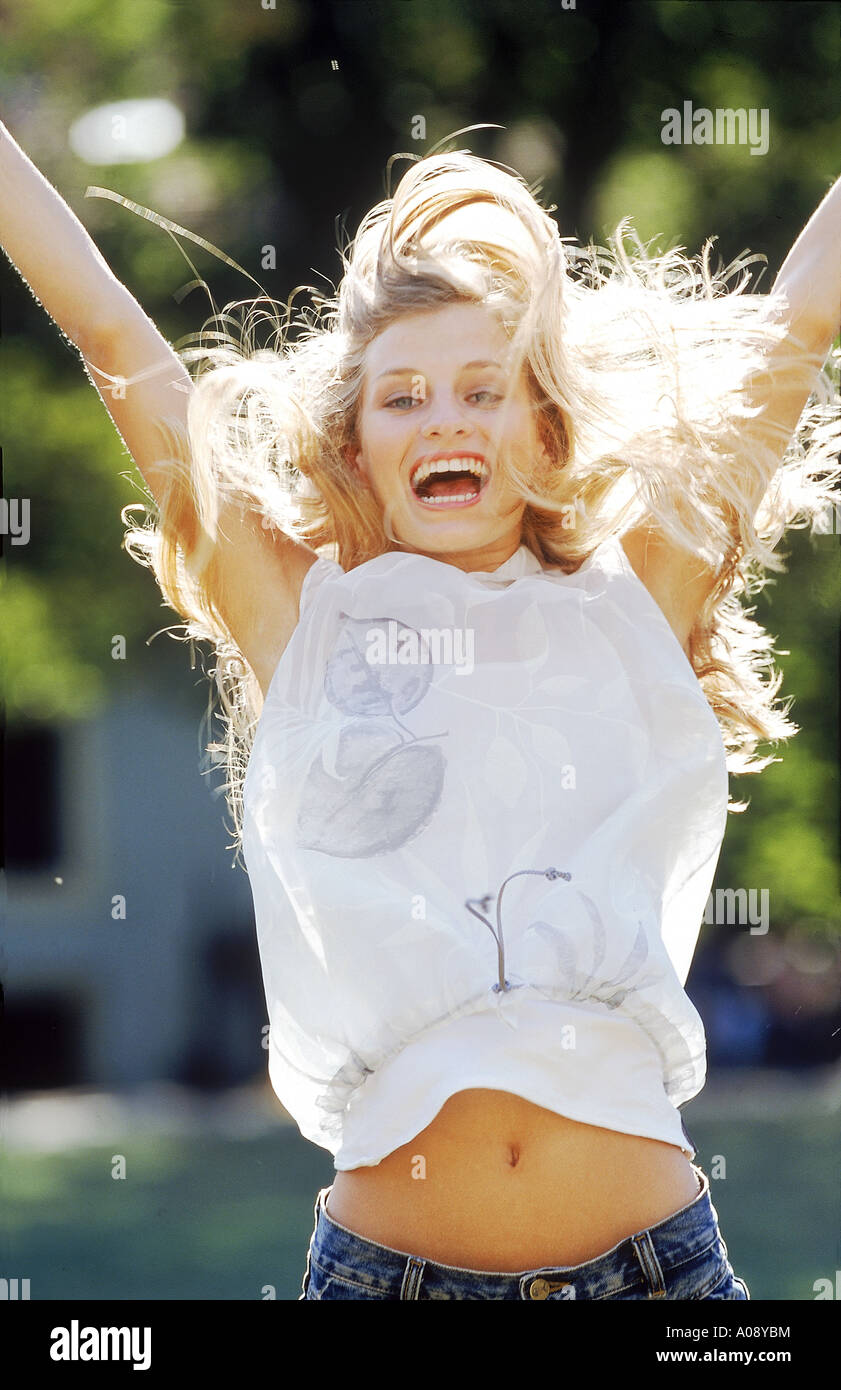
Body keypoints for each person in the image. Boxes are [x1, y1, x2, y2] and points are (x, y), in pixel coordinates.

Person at [3, 120, 840, 1301]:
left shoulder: (632, 601)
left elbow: (799, 321)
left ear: (543, 426)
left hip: (657, 1280)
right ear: (354, 440)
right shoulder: (303, 618)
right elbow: (107, 329)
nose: (443, 416)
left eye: (480, 388)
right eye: (402, 396)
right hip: (388, 1276)